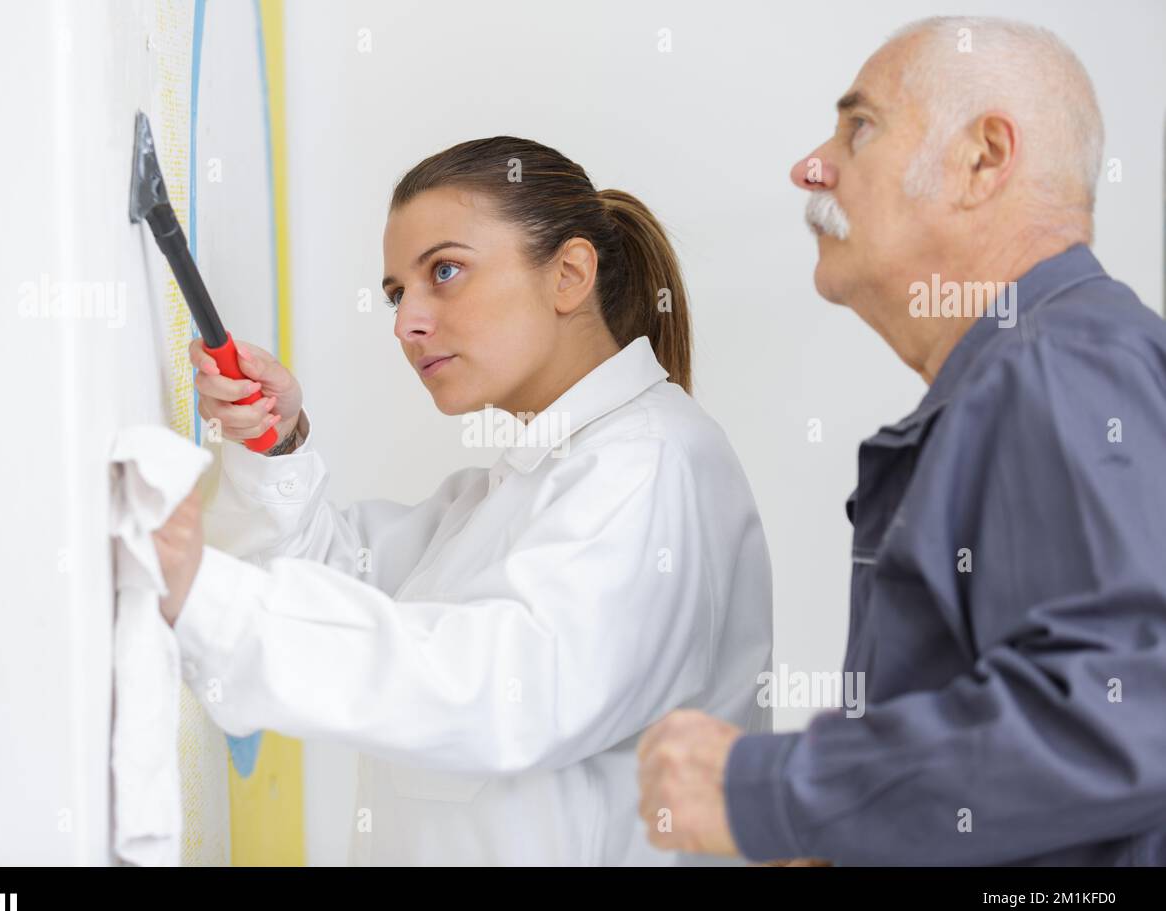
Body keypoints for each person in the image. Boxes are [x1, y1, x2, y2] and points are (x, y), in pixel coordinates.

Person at [154, 136, 773, 865]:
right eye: (396, 293)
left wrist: (214, 599)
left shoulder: (649, 463)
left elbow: (504, 691)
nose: (404, 322)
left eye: (444, 271)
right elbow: (337, 584)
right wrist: (276, 446)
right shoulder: (511, 489)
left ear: (569, 274)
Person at [638, 16, 1166, 866]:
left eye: (860, 127)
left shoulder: (1062, 366)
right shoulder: (1038, 371)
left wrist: (773, 793)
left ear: (984, 159)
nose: (811, 167)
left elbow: (1126, 713)